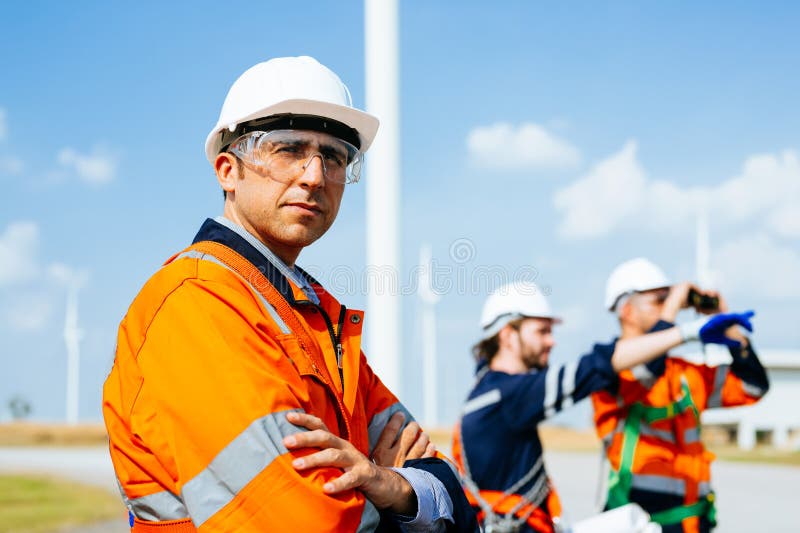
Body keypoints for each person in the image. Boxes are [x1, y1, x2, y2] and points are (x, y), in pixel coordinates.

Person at [103, 56, 477, 533]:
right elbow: (304, 521)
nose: (315, 176)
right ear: (227, 170)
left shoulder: (314, 318)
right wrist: (403, 498)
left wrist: (396, 487)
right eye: (288, 150)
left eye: (336, 156)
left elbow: (456, 496)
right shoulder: (195, 305)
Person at [452, 280, 754, 533]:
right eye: (542, 331)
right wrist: (687, 332)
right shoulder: (507, 396)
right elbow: (593, 369)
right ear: (507, 335)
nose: (552, 342)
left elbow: (753, 387)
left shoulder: (489, 394)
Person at [591, 258, 770, 533]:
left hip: (692, 523)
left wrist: (725, 322)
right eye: (658, 300)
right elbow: (644, 370)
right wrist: (674, 308)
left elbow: (753, 387)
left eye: (668, 300)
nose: (667, 306)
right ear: (626, 310)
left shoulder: (684, 375)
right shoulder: (609, 370)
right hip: (637, 524)